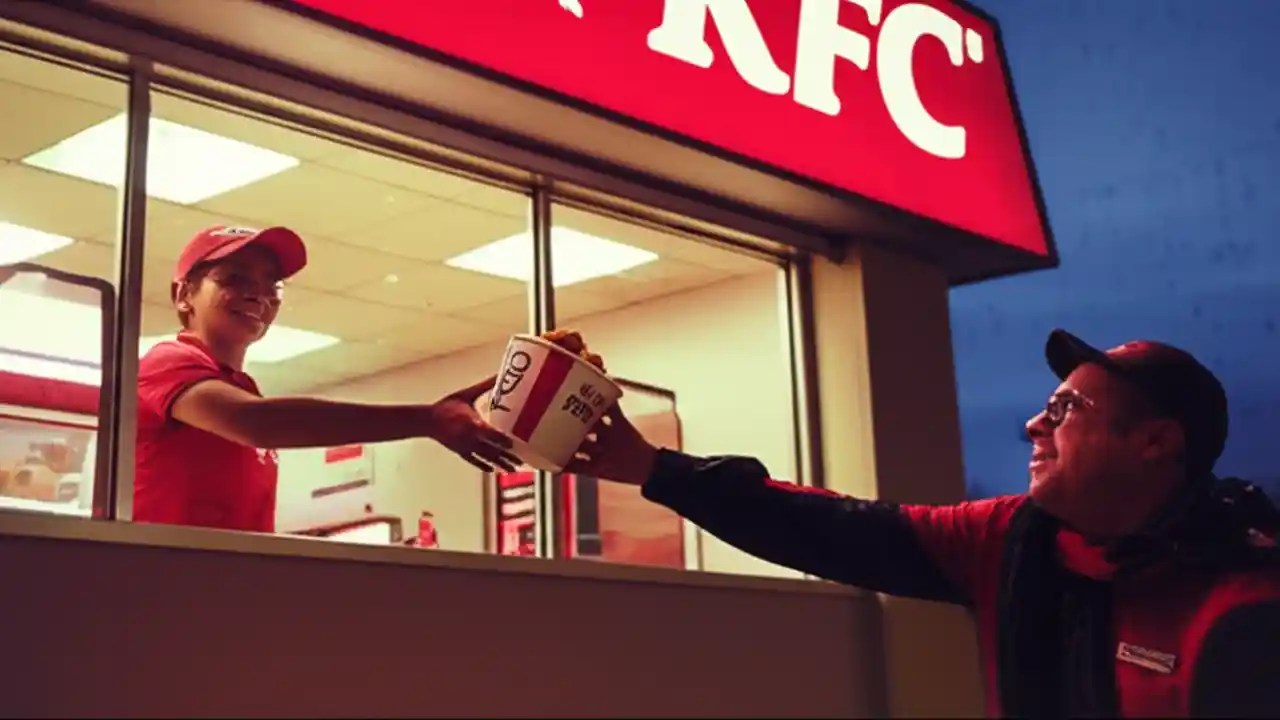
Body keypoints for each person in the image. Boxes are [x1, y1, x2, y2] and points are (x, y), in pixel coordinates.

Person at [566, 328, 1280, 718]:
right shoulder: (1012, 537)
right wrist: (650, 466)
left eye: (1066, 411)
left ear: (1155, 442)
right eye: (1045, 407)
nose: (1034, 425)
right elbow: (832, 528)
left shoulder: (1245, 600)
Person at [135, 225, 519, 533]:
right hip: (161, 588)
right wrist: (428, 419)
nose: (259, 294)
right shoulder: (168, 362)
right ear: (184, 294)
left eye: (273, 284)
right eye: (234, 279)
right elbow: (255, 423)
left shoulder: (240, 387)